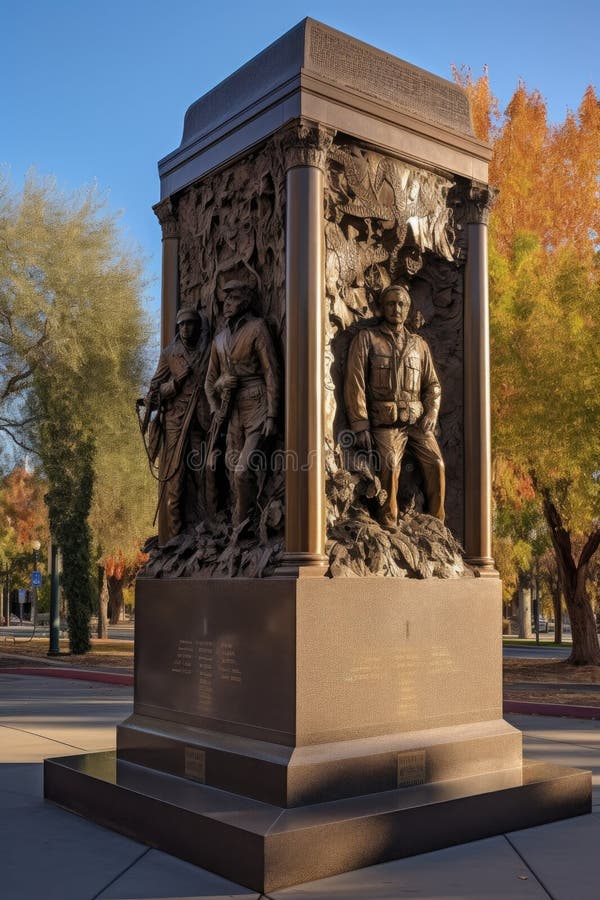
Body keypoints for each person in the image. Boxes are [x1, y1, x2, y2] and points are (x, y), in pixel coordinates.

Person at [344, 283, 445, 529]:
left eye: (401, 304)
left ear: (407, 309)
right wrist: (360, 425)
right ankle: (389, 523)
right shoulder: (367, 339)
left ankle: (437, 523)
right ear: (381, 308)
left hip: (417, 422)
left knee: (437, 464)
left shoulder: (419, 345)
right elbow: (355, 383)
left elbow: (432, 385)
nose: (396, 309)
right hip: (386, 423)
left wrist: (432, 412)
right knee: (389, 464)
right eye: (390, 304)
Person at [204, 281, 279, 530]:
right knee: (230, 470)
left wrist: (272, 414)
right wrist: (217, 400)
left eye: (233, 299)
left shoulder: (257, 328)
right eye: (225, 299)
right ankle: (243, 525)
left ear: (245, 302)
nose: (227, 304)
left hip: (257, 404)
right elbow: (209, 383)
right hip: (231, 410)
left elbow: (271, 372)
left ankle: (242, 526)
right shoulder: (219, 339)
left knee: (242, 471)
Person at [145, 307, 209, 544]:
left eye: (189, 324)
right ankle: (174, 537)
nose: (185, 329)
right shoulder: (170, 354)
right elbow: (153, 392)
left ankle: (205, 529)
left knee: (204, 474)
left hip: (201, 422)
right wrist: (175, 384)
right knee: (175, 478)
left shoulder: (207, 350)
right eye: (181, 325)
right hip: (176, 422)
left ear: (197, 327)